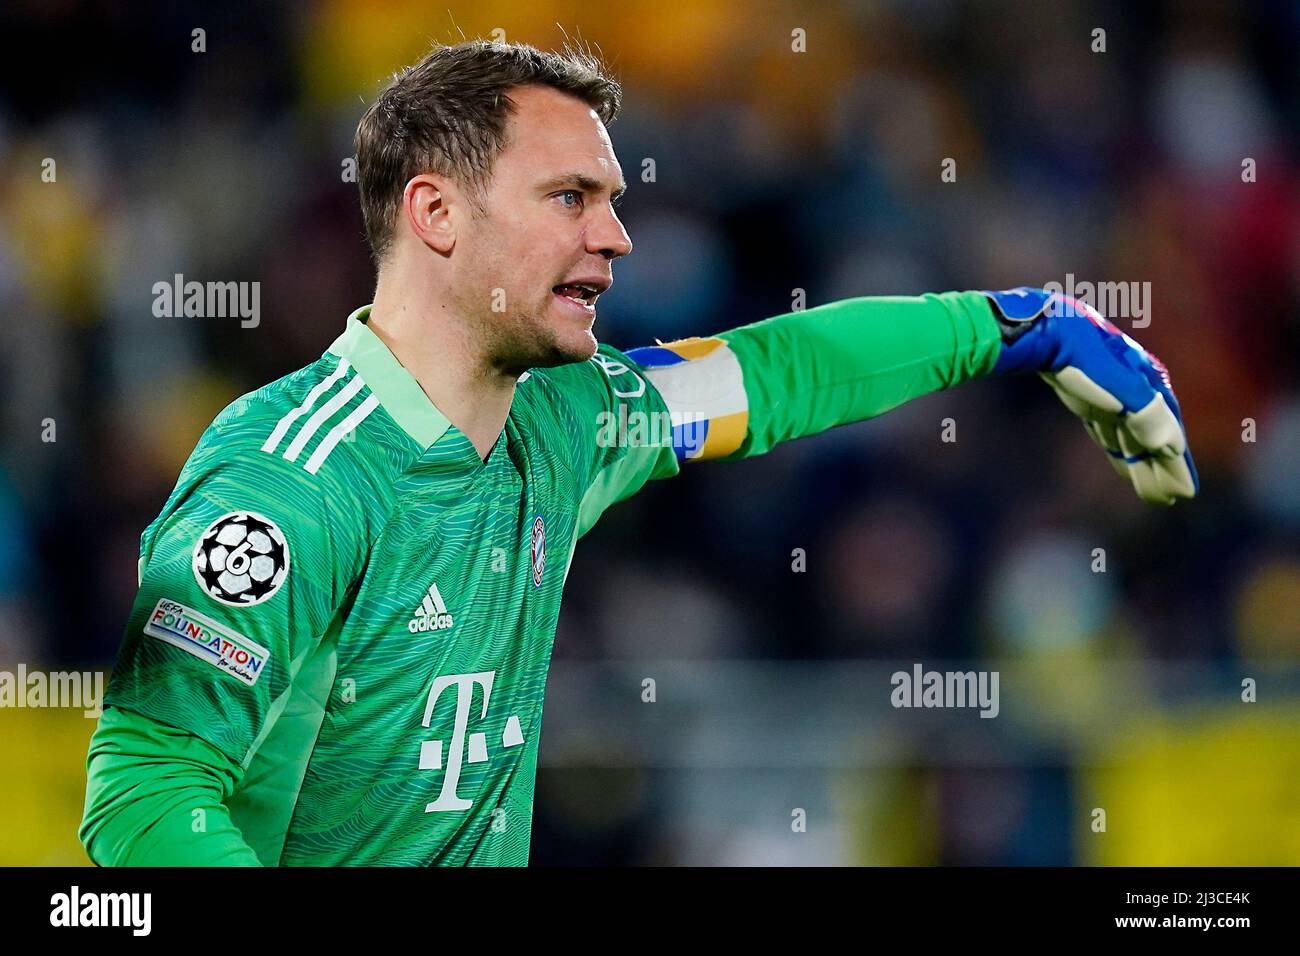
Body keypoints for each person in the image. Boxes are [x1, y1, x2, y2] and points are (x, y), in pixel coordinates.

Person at [79, 39, 1196, 866]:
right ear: (435, 213)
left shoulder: (568, 420)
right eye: (570, 197)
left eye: (610, 201)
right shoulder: (288, 479)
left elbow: (774, 373)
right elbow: (141, 794)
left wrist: (1009, 324)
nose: (614, 236)